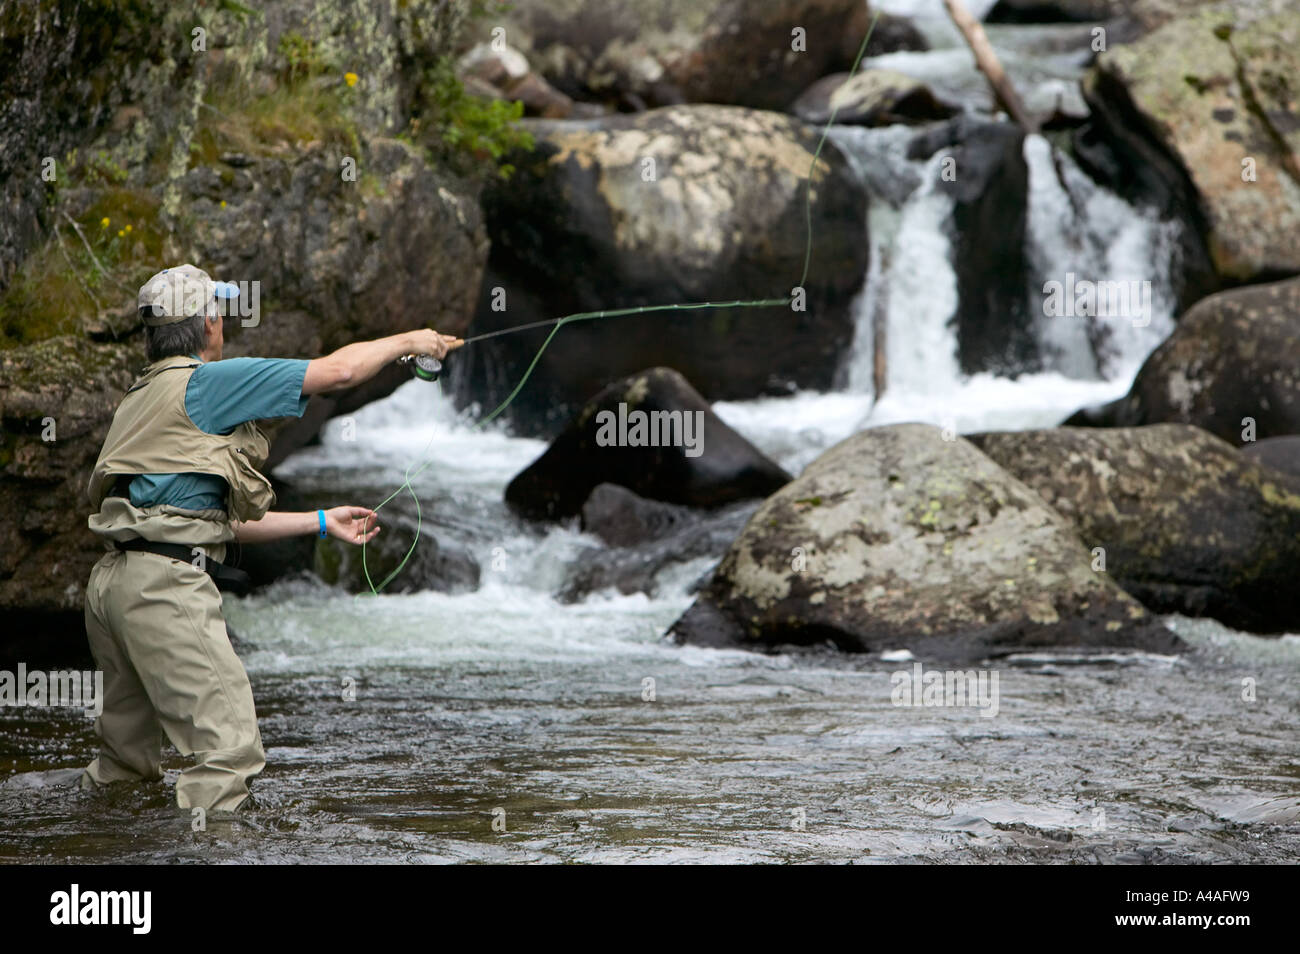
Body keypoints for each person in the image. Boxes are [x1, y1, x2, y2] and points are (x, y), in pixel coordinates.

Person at [79, 264, 462, 812]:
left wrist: (322, 521)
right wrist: (411, 341)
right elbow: (340, 373)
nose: (223, 321)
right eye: (219, 310)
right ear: (207, 321)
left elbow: (205, 521)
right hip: (163, 592)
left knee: (125, 769)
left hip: (113, 590)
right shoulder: (207, 384)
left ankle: (99, 848)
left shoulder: (139, 397)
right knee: (228, 755)